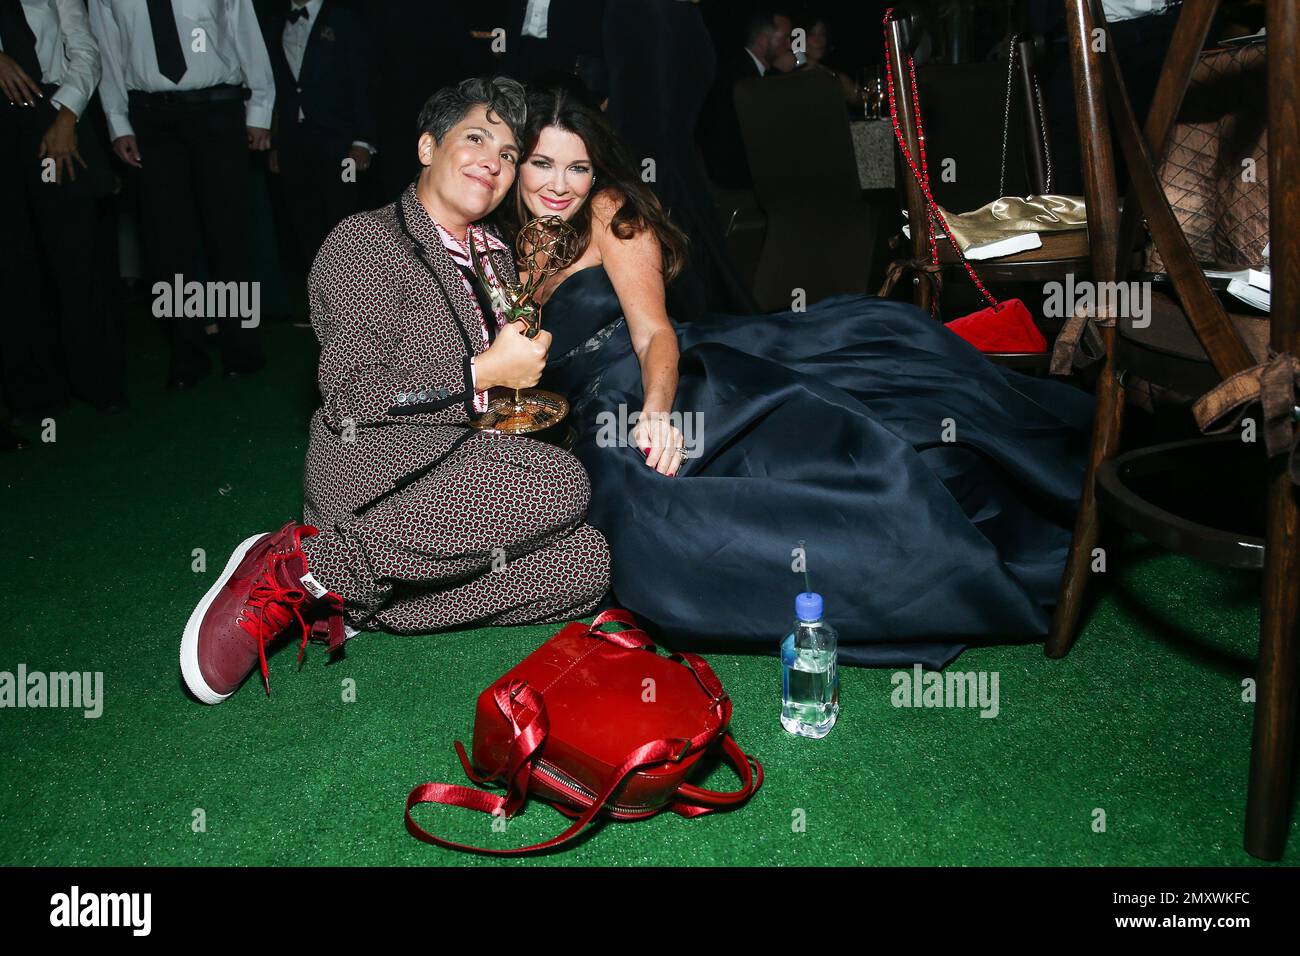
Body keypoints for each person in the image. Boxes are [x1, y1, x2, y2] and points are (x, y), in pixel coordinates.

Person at [501, 88, 1095, 668]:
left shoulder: (611, 211)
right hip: (586, 415)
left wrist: (657, 413)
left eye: (577, 167)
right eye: (543, 164)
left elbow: (654, 333)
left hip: (658, 381)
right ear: (516, 164)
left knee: (676, 511)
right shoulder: (506, 244)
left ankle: (940, 571)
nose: (559, 185)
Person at [180, 77, 610, 704]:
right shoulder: (363, 243)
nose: (495, 160)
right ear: (427, 148)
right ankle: (299, 569)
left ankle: (363, 602)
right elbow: (356, 397)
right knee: (562, 483)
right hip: (378, 483)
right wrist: (484, 373)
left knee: (587, 566)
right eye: (476, 138)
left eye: (510, 153)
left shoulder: (495, 253)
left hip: (459, 481)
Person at [89, 0, 274, 388]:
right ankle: (187, 353)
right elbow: (107, 51)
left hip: (218, 111)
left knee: (229, 237)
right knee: (167, 244)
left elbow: (246, 31)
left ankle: (242, 346)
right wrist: (118, 123)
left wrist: (259, 110)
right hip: (151, 119)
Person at [0, 0, 123, 419]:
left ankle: (96, 379)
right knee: (12, 263)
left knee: (74, 251)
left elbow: (85, 49)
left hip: (50, 119)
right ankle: (32, 390)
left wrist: (67, 116)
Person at [266, 0, 375, 283]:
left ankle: (355, 301)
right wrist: (277, 141)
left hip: (339, 139)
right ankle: (319, 304)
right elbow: (276, 85)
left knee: (344, 222)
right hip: (293, 138)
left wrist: (363, 141)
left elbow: (363, 80)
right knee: (303, 221)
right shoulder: (276, 20)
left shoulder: (345, 17)